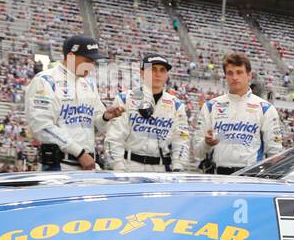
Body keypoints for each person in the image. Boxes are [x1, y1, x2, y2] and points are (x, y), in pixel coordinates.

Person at [23, 35, 125, 171]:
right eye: (88, 60)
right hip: (58, 166)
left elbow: (96, 127)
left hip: (87, 165)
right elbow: (42, 127)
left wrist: (106, 117)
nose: (92, 66)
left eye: (93, 62)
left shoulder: (89, 84)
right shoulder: (45, 80)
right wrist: (79, 152)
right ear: (70, 56)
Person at [192, 52, 283, 174]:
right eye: (230, 73)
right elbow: (197, 152)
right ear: (225, 76)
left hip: (250, 177)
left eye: (239, 72)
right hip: (216, 177)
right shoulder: (211, 106)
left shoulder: (265, 108)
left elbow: (274, 153)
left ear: (249, 75)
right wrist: (206, 143)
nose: (235, 77)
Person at [105, 53, 190, 172]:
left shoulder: (177, 105)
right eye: (152, 69)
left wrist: (178, 167)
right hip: (129, 167)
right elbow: (114, 137)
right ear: (141, 72)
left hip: (161, 170)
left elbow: (181, 140)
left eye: (162, 70)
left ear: (167, 75)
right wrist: (118, 167)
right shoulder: (125, 99)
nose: (158, 74)